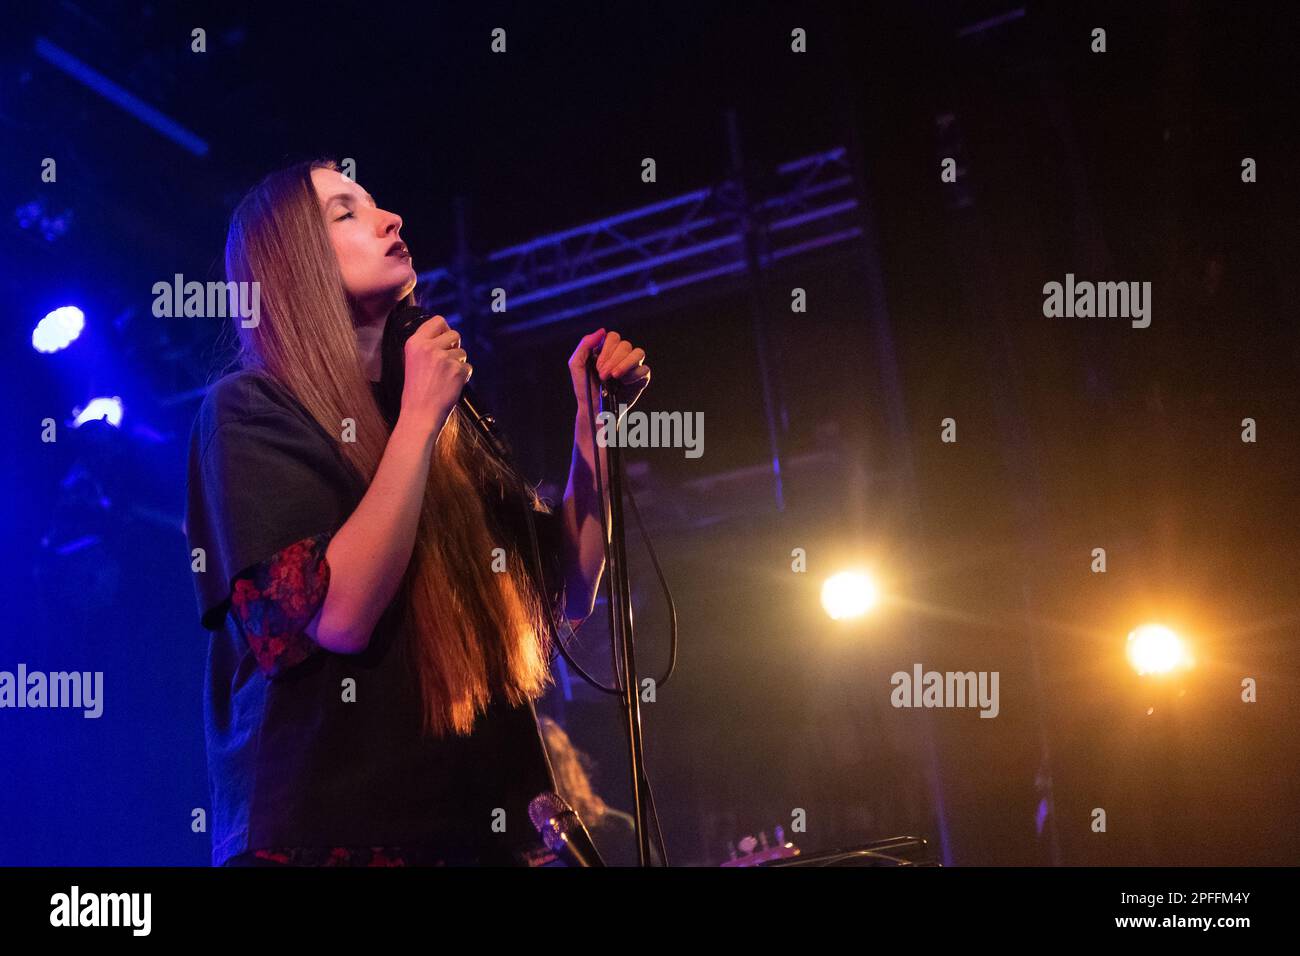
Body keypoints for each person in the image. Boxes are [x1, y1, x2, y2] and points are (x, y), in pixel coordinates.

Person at [184, 158, 651, 866]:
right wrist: (418, 418)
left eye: (375, 201)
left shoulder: (442, 416)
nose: (390, 219)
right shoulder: (251, 410)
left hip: (479, 829)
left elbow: (567, 589)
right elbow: (337, 616)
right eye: (346, 212)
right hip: (334, 837)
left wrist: (594, 427)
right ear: (291, 265)